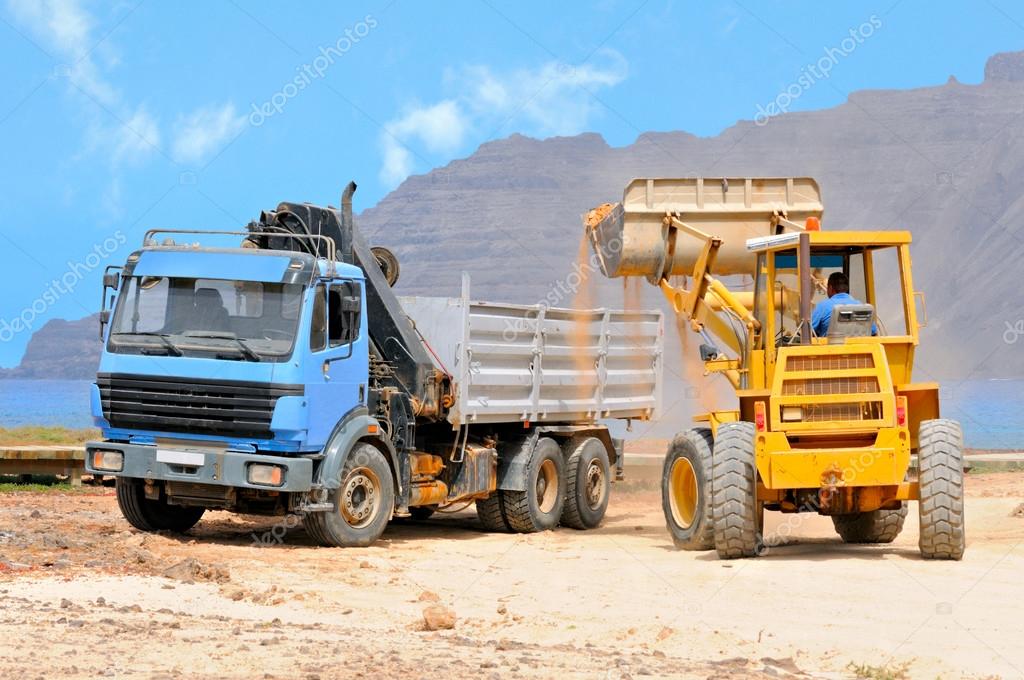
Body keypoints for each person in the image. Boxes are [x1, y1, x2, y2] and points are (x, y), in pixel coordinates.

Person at [811, 272, 876, 337]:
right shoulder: (861, 306)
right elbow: (873, 331)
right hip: (858, 346)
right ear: (846, 288)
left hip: (831, 346)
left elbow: (808, 331)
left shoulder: (822, 306)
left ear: (830, 288)